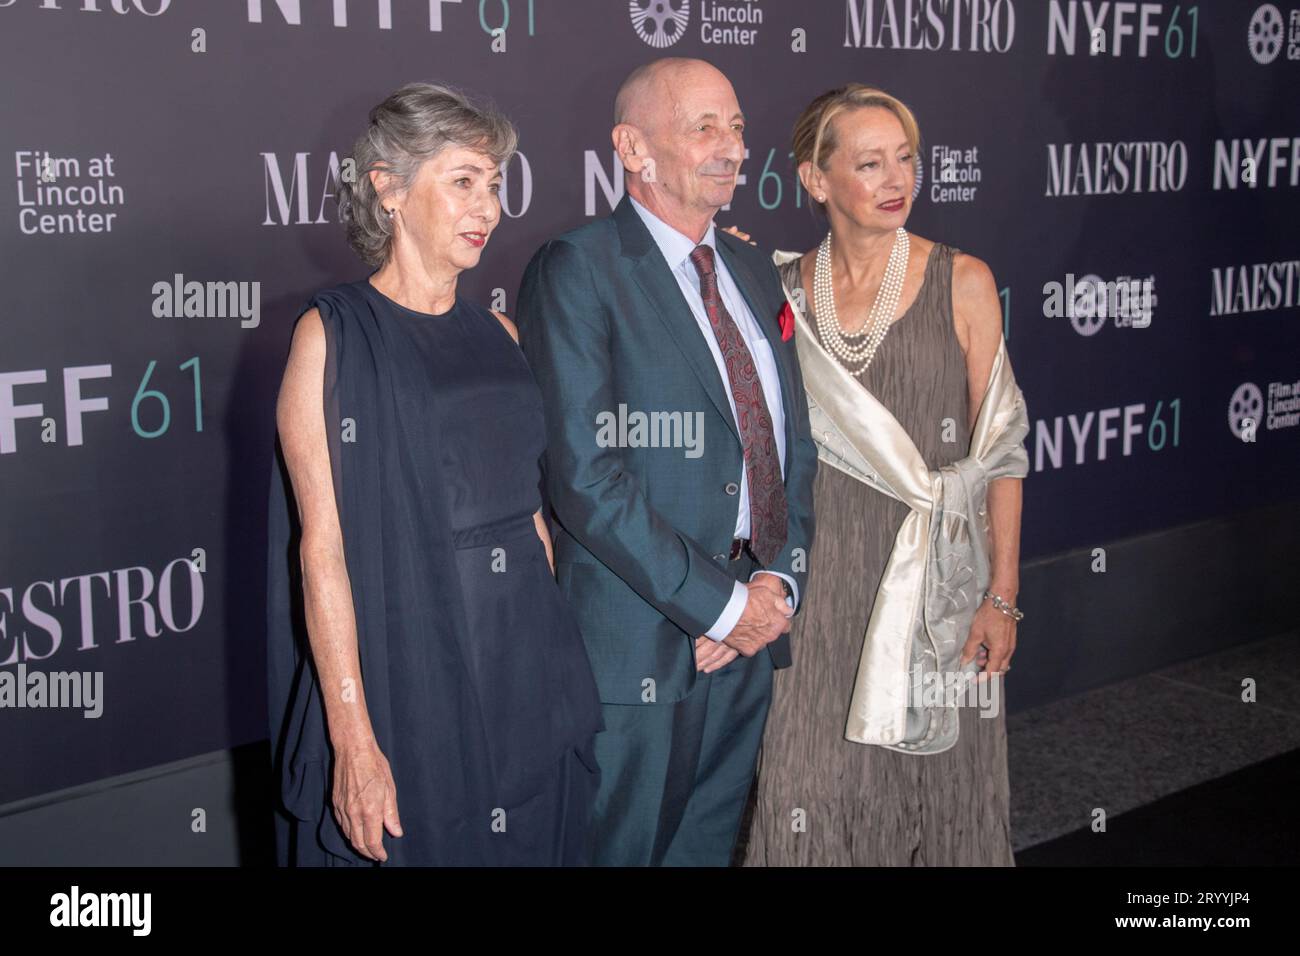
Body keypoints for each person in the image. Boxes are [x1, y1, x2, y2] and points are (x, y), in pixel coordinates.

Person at [266, 82, 603, 866]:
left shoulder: (503, 333)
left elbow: (531, 517)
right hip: (405, 666)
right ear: (387, 187)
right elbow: (324, 553)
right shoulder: (333, 338)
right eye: (462, 181)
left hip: (524, 668)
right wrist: (353, 737)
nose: (486, 205)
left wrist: (554, 668)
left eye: (494, 185)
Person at [515, 57, 818, 866]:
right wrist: (718, 606)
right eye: (704, 128)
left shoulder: (753, 268)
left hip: (751, 634)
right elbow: (585, 479)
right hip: (642, 647)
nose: (733, 147)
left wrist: (775, 583)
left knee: (707, 850)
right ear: (633, 148)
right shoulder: (577, 268)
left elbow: (790, 446)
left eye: (739, 127)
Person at [745, 84, 1030, 866]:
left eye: (905, 159)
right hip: (820, 580)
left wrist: (1000, 595)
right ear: (815, 179)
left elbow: (1002, 451)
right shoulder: (779, 292)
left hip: (941, 580)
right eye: (869, 163)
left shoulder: (963, 280)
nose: (896, 179)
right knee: (808, 783)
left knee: (943, 790)